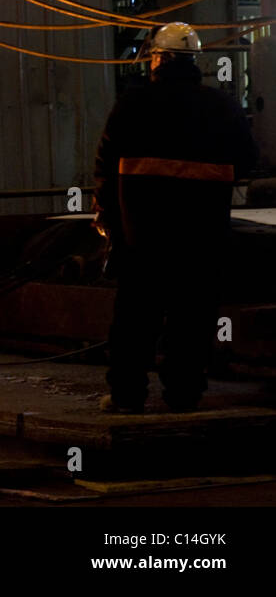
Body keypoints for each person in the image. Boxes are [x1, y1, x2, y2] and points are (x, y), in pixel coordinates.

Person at [93, 22, 258, 413]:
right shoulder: (221, 106)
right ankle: (183, 394)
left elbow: (105, 165)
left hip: (142, 234)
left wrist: (107, 216)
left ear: (161, 59)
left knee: (136, 315)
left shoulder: (132, 104)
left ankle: (127, 395)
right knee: (192, 316)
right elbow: (247, 159)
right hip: (201, 234)